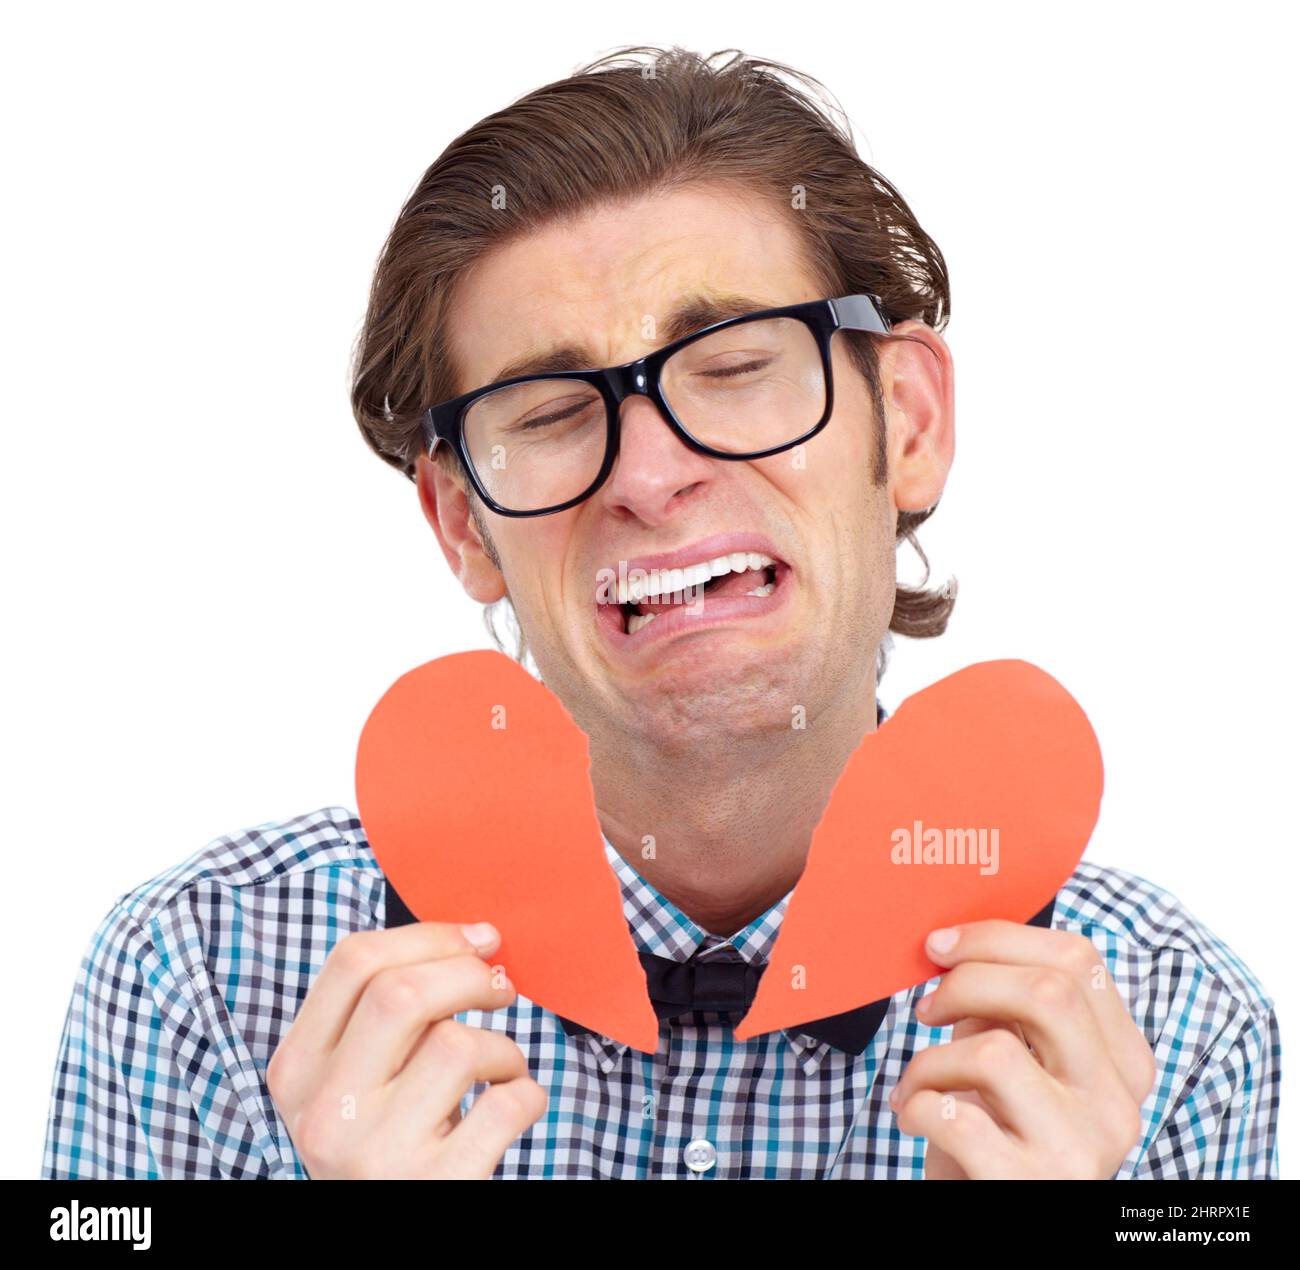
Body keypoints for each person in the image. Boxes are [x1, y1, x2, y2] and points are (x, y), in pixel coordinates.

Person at [43, 45, 1279, 1180]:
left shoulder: (1173, 1031)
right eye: (546, 412)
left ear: (905, 426)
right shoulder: (198, 974)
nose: (648, 476)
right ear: (464, 525)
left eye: (737, 366)